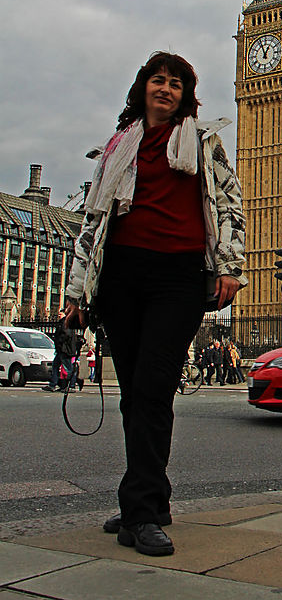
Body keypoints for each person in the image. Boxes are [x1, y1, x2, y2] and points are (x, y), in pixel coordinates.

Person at [64, 52, 246, 556]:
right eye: (157, 81)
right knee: (135, 394)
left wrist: (230, 266)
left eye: (176, 83)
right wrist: (79, 293)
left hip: (178, 277)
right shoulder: (118, 145)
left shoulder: (203, 142)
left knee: (152, 387)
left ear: (187, 94)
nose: (165, 89)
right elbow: (93, 222)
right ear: (142, 88)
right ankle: (151, 500)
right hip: (122, 275)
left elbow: (230, 204)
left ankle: (139, 513)